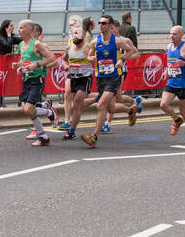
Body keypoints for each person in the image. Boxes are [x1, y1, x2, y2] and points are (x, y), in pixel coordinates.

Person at [80, 14, 140, 147]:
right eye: (99, 23)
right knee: (111, 108)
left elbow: (130, 51)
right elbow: (89, 56)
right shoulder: (95, 42)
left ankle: (94, 136)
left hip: (114, 77)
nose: (100, 25)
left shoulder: (117, 41)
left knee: (101, 105)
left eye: (104, 23)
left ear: (110, 26)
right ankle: (131, 110)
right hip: (101, 77)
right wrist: (91, 59)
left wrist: (121, 60)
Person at [14, 19, 57, 146]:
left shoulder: (37, 44)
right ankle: (43, 134)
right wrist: (18, 65)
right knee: (25, 109)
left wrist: (37, 65)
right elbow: (25, 59)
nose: (19, 30)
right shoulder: (21, 44)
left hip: (37, 79)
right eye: (19, 27)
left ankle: (49, 114)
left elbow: (52, 58)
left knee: (30, 108)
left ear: (28, 30)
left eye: (21, 28)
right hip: (26, 79)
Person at [60, 18, 93, 139]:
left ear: (83, 35)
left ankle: (71, 131)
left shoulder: (87, 47)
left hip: (85, 78)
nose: (74, 37)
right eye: (73, 34)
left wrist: (92, 59)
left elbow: (96, 58)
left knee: (77, 101)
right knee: (76, 104)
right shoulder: (69, 48)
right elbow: (63, 60)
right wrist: (66, 66)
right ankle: (98, 98)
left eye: (77, 34)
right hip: (73, 77)